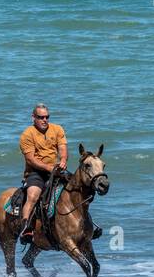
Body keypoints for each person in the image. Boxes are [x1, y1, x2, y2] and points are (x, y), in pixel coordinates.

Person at [17, 103, 101, 244]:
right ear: (33, 117)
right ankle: (26, 229)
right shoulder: (27, 134)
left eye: (47, 117)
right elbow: (30, 159)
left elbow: (63, 149)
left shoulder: (57, 129)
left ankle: (89, 224)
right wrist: (49, 168)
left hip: (56, 171)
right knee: (33, 195)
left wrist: (62, 160)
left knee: (79, 189)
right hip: (35, 173)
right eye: (41, 117)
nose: (44, 120)